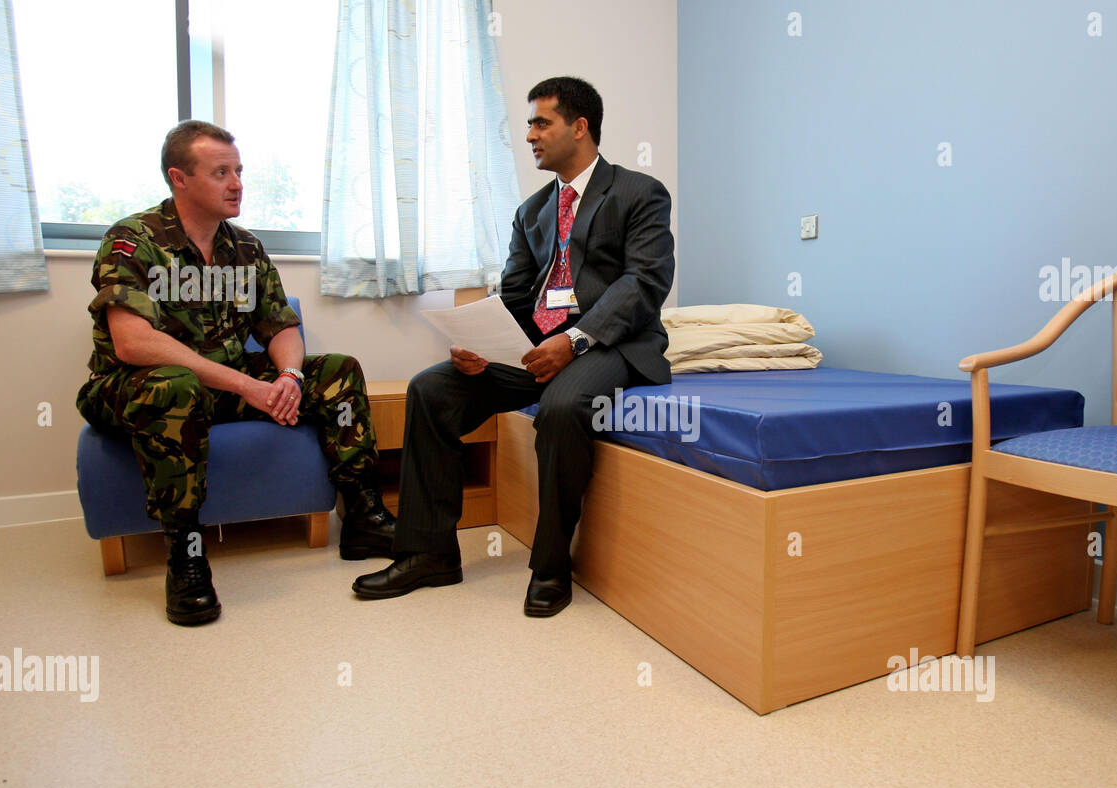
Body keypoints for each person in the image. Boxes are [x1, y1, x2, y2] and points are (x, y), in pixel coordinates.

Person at [354, 76, 675, 617]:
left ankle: (551, 566)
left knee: (563, 405)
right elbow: (518, 295)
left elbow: (643, 284)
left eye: (540, 122)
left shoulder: (639, 193)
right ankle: (429, 554)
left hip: (608, 345)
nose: (529, 135)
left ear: (580, 127)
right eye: (529, 123)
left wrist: (574, 341)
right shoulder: (532, 212)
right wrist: (479, 341)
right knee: (432, 388)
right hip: (539, 346)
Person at [77, 120, 396, 626]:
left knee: (337, 370)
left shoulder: (243, 248)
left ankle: (362, 515)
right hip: (133, 388)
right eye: (220, 172)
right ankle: (185, 556)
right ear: (179, 178)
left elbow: (281, 326)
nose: (237, 183)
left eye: (239, 171)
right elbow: (133, 342)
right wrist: (249, 385)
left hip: (223, 383)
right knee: (175, 386)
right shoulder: (133, 239)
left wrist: (288, 378)